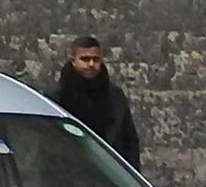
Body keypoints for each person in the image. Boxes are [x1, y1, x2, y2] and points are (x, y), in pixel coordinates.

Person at [47, 35, 143, 166]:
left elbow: (129, 141)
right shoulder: (56, 98)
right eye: (85, 59)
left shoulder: (115, 97)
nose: (91, 64)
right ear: (73, 60)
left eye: (95, 59)